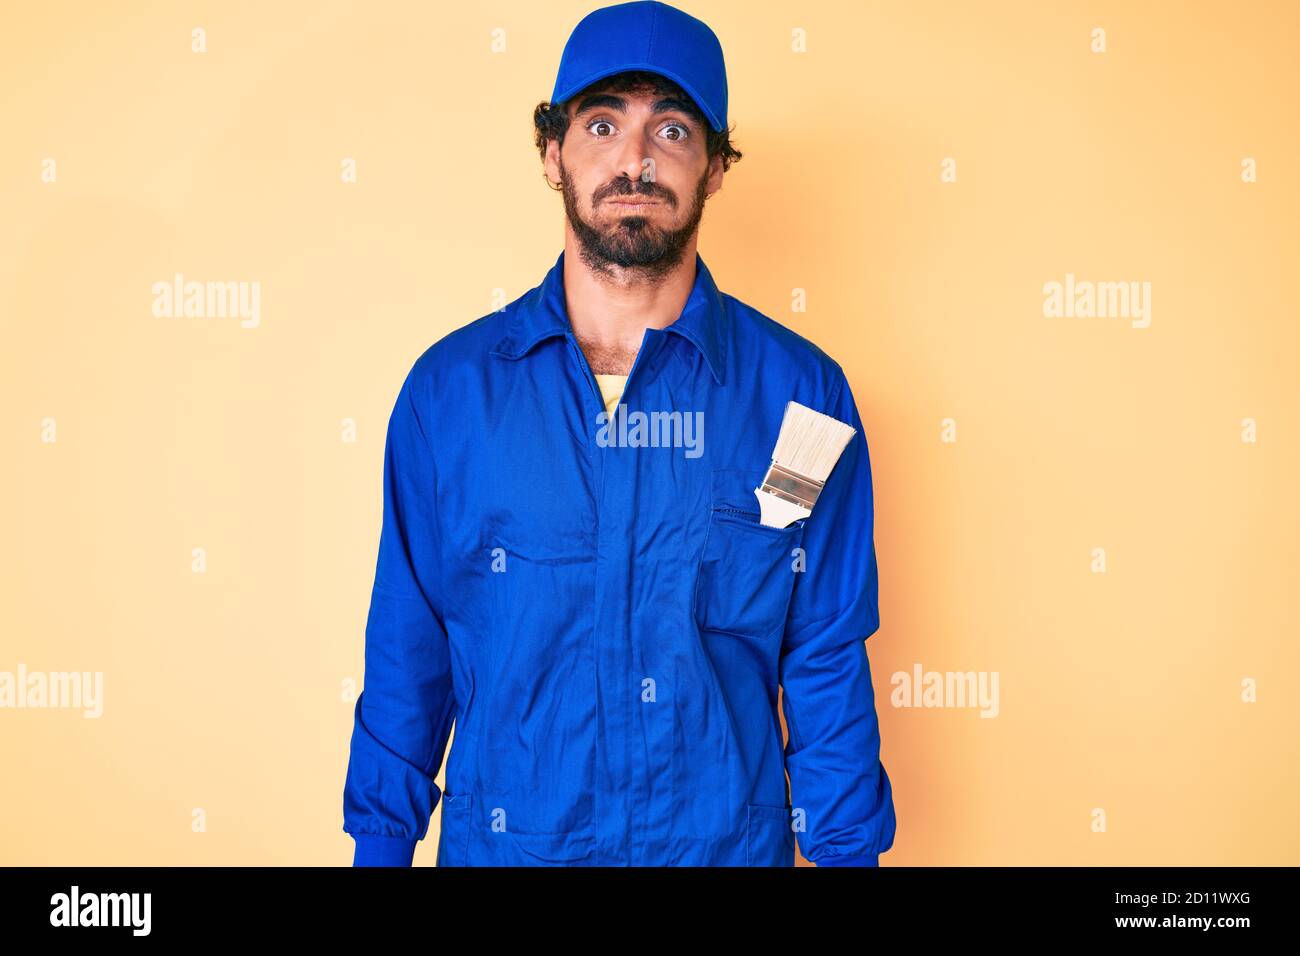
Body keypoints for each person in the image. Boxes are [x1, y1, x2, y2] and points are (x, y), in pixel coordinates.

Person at [342, 0, 895, 866]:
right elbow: (409, 648)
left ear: (714, 166)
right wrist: (380, 848)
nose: (635, 158)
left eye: (672, 129)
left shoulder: (801, 401)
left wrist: (847, 855)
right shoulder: (450, 397)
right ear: (553, 151)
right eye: (603, 124)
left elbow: (822, 653)